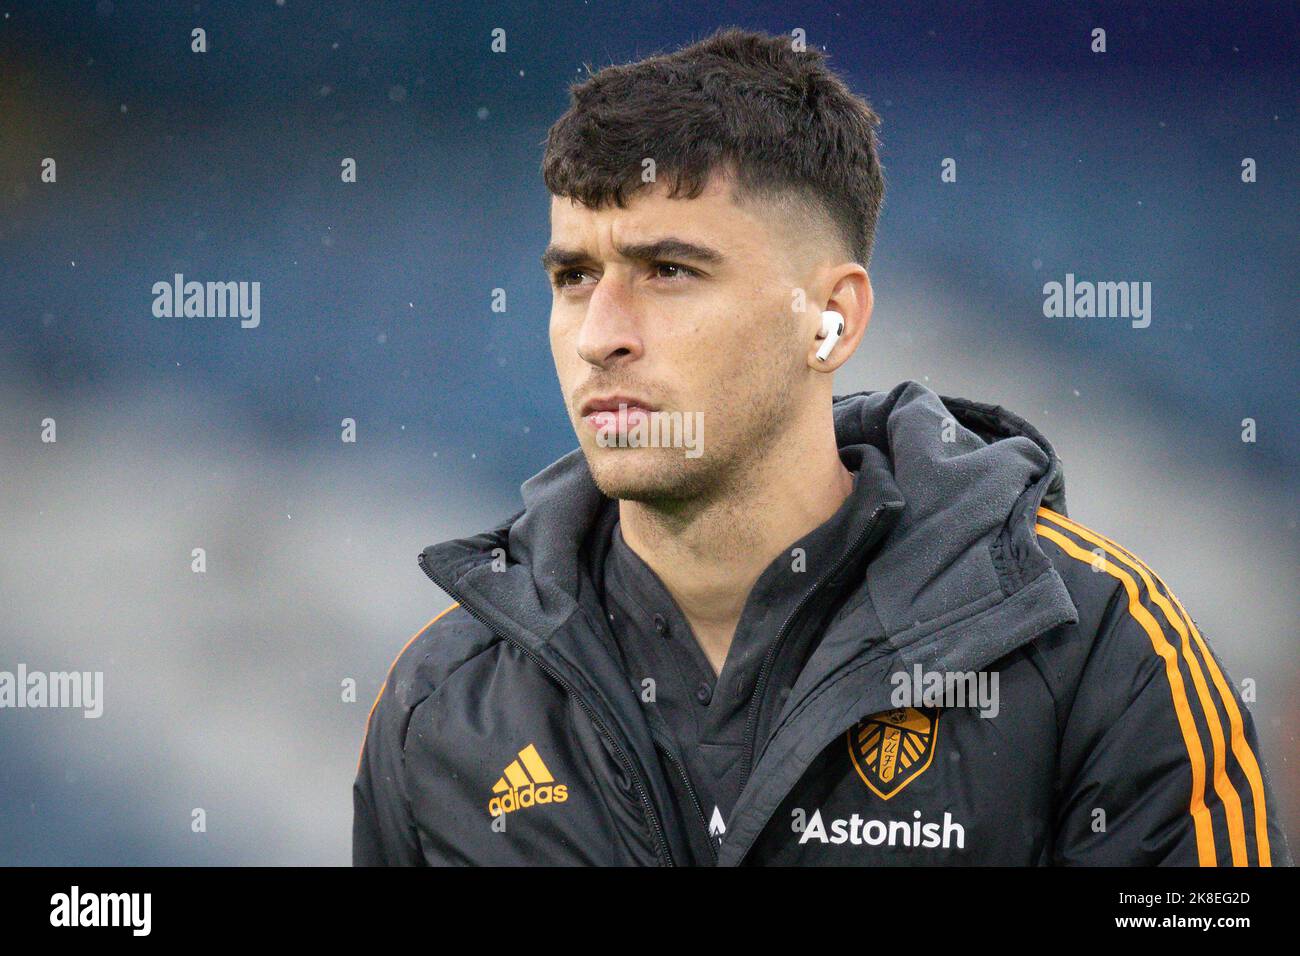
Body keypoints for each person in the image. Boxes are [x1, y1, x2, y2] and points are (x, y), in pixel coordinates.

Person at [353, 27, 1289, 866]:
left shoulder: (1096, 652)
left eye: (669, 271)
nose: (602, 333)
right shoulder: (444, 705)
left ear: (831, 322)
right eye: (575, 277)